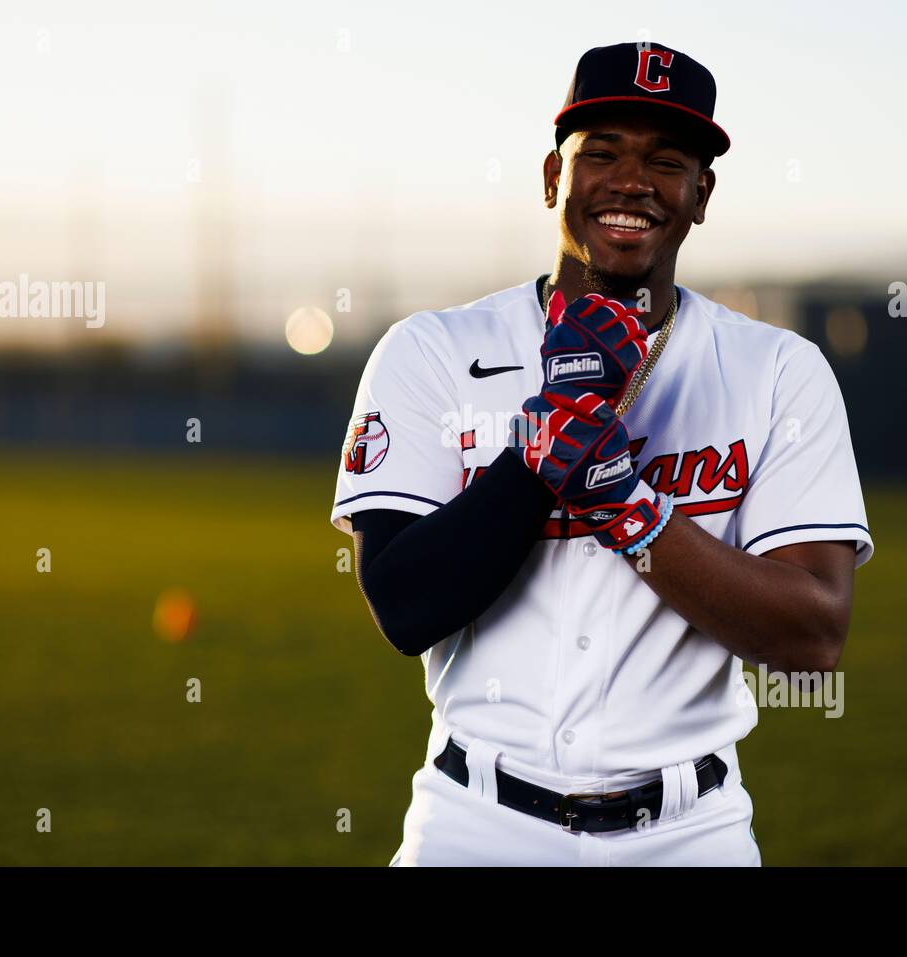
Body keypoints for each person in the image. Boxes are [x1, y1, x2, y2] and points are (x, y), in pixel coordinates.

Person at [330, 41, 873, 866]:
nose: (632, 182)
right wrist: (543, 454)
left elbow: (812, 636)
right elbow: (404, 605)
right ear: (555, 177)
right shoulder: (433, 351)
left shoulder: (777, 371)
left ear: (701, 194)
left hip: (692, 832)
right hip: (475, 823)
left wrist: (630, 506)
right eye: (603, 153)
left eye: (667, 160)